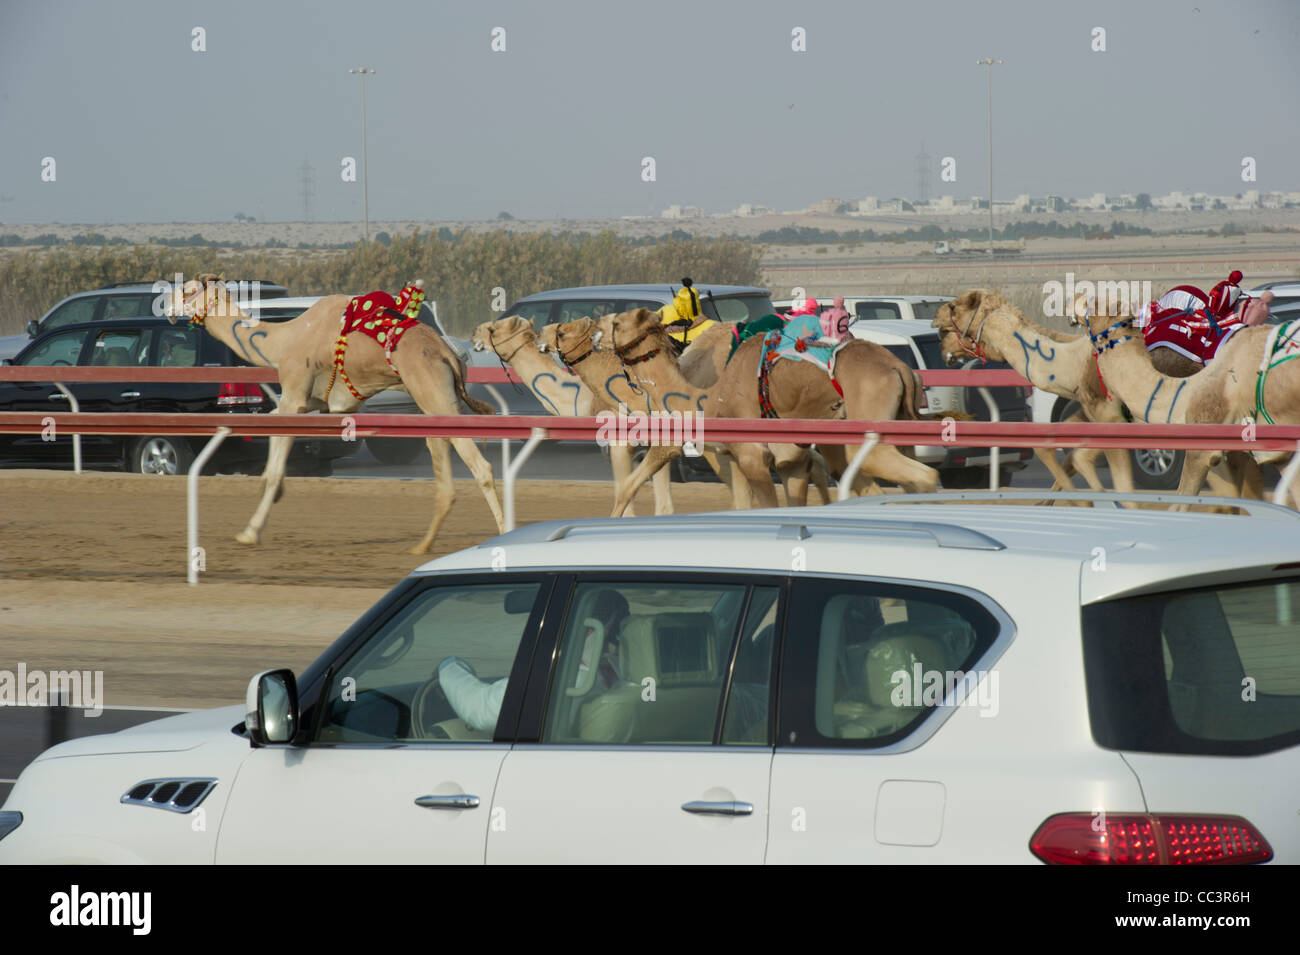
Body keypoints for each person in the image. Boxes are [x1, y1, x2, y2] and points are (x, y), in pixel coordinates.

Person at [437, 589, 630, 732]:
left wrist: (449, 667)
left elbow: (479, 710)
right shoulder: (626, 676)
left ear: (590, 628)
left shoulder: (560, 679)